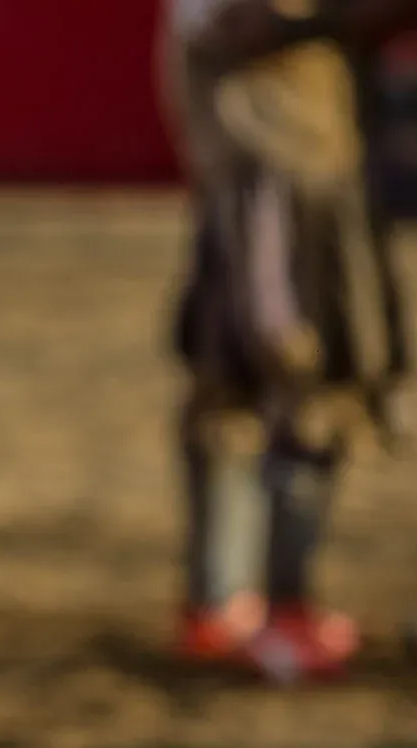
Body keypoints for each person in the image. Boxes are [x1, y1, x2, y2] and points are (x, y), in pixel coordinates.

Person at [165, 0, 415, 680]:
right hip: (287, 174)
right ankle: (282, 616)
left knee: (237, 388)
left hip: (268, 170)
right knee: (302, 382)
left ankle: (225, 602)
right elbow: (246, 27)